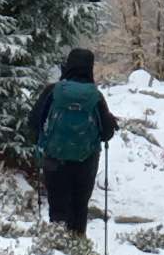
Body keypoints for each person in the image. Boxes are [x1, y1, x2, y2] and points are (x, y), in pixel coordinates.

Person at [26, 48, 121, 235]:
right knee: (79, 206)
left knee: (58, 206)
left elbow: (33, 121)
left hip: (54, 158)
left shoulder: (52, 91)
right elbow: (107, 132)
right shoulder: (95, 96)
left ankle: (57, 249)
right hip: (86, 160)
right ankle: (78, 252)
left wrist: (42, 139)